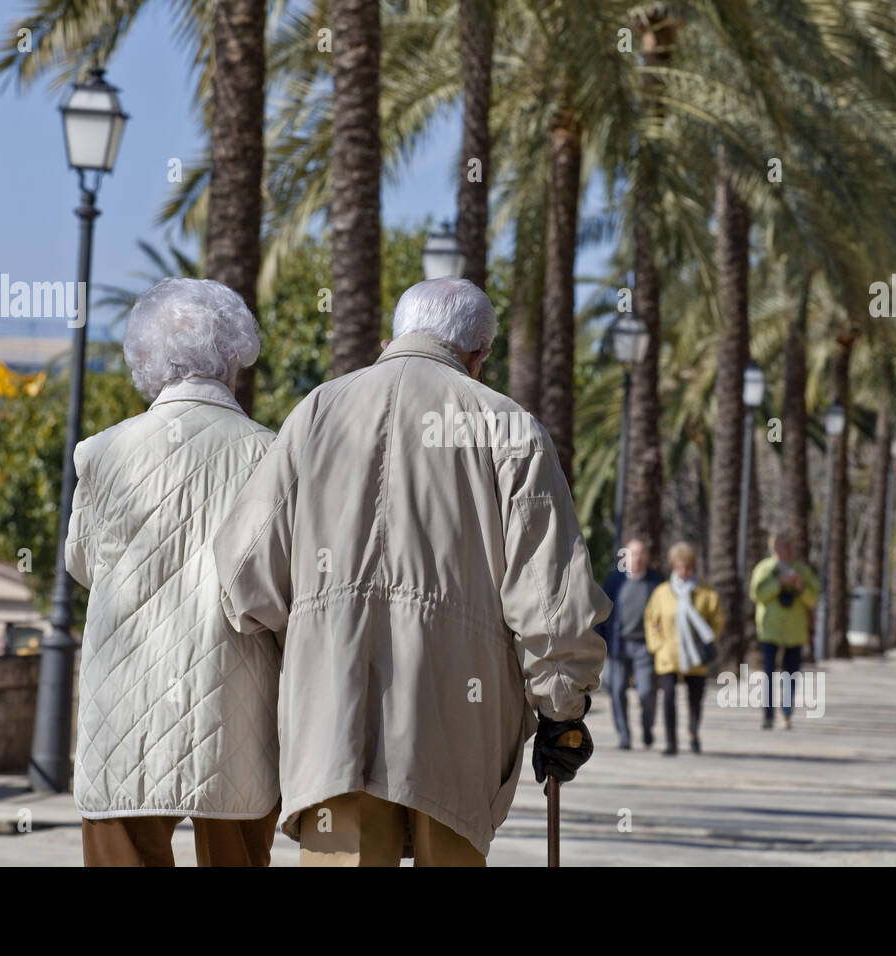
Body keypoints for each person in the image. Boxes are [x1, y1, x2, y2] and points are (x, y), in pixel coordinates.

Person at [215, 277, 609, 866]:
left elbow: (247, 578)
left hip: (332, 723)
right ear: (479, 356)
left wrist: (317, 629)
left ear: (394, 335)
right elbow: (552, 601)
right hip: (455, 734)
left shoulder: (316, 412)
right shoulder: (509, 428)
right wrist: (563, 711)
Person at [65, 278, 281, 866]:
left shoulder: (102, 451)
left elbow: (81, 564)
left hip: (123, 707)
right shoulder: (272, 453)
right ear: (235, 355)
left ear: (146, 362)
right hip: (237, 701)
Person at [644, 542, 723, 755]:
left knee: (695, 700)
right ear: (673, 567)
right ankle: (671, 742)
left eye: (687, 567)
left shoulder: (706, 592)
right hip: (668, 655)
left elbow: (717, 620)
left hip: (695, 657)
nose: (684, 572)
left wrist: (708, 639)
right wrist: (657, 645)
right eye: (679, 567)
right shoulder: (662, 593)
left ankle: (693, 732)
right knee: (668, 697)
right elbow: (651, 620)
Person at [748, 532, 819, 730]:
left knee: (791, 675)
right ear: (774, 548)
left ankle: (786, 713)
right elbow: (756, 594)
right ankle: (768, 714)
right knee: (769, 674)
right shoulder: (765, 569)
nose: (786, 551)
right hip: (769, 630)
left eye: (789, 546)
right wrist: (779, 584)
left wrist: (799, 587)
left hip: (795, 631)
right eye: (781, 546)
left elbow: (813, 599)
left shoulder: (802, 571)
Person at [598, 538, 663, 749]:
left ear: (647, 557)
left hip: (645, 646)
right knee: (616, 690)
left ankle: (647, 727)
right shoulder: (615, 581)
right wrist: (602, 643)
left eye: (641, 553)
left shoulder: (657, 582)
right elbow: (601, 613)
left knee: (646, 691)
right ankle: (624, 735)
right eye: (633, 554)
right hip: (618, 645)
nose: (637, 558)